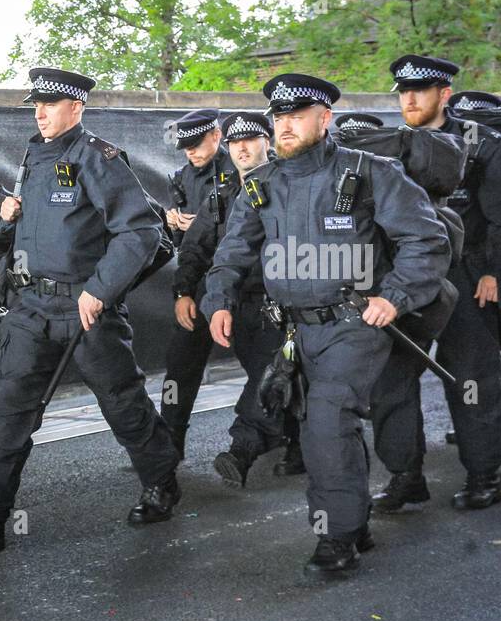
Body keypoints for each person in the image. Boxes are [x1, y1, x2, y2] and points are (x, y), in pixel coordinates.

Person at [202, 73, 450, 575]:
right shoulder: (263, 183)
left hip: (355, 323)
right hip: (295, 331)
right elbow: (232, 252)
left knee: (328, 419)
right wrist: (218, 301)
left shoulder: (369, 172)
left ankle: (335, 538)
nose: (285, 126)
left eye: (296, 117)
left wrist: (394, 298)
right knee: (324, 424)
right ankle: (353, 522)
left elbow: (426, 240)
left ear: (324, 119)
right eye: (278, 118)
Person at [0, 67, 179, 552]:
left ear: (77, 108)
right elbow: (33, 234)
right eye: (36, 105)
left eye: (50, 104)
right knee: (6, 412)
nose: (41, 112)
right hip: (31, 308)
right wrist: (8, 224)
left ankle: (160, 482)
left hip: (84, 308)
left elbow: (142, 232)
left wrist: (100, 290)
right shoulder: (34, 156)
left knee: (122, 402)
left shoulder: (99, 158)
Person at [368, 56, 501, 512]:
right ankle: (406, 476)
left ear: (445, 95)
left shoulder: (483, 143)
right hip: (401, 280)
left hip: (466, 276)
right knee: (392, 379)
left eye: (420, 91)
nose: (409, 99)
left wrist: (499, 273)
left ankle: (483, 473)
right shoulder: (385, 147)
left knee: (472, 375)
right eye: (403, 92)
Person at [170, 110, 292, 487]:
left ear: (266, 143)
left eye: (250, 141)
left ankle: (243, 448)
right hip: (230, 300)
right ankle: (165, 450)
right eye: (235, 143)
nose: (241, 149)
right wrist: (184, 292)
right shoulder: (221, 195)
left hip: (279, 306)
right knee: (183, 366)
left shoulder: (289, 186)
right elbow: (195, 247)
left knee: (273, 378)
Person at [160, 109, 238, 460]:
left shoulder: (238, 169)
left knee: (268, 365)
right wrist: (173, 221)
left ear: (217, 136)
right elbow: (178, 238)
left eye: (196, 144)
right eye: (185, 146)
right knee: (179, 367)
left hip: (243, 281)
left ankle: (284, 439)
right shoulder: (181, 177)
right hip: (199, 277)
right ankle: (168, 444)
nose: (190, 151)